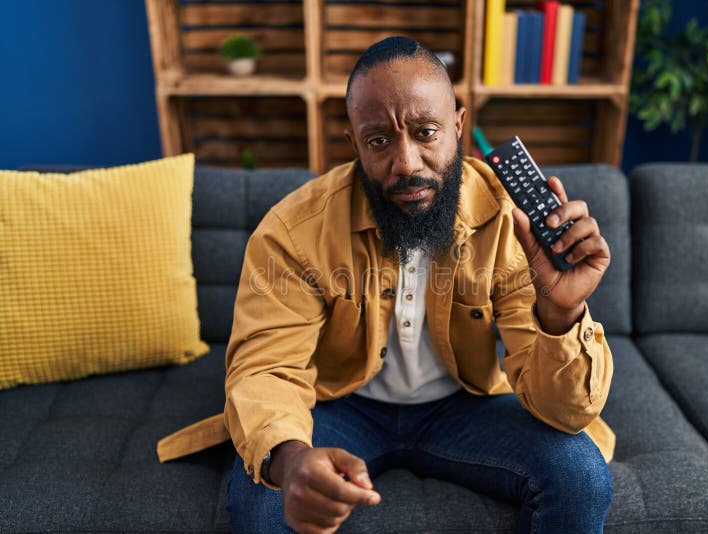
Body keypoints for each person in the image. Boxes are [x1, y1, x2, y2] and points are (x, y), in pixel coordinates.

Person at [165, 36, 616, 533]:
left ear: (459, 127)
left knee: (581, 478)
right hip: (339, 405)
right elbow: (266, 368)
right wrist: (291, 460)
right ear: (354, 143)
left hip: (467, 405)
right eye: (379, 140)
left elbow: (564, 411)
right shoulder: (292, 232)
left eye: (426, 132)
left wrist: (560, 315)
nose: (406, 163)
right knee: (266, 501)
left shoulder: (511, 221)